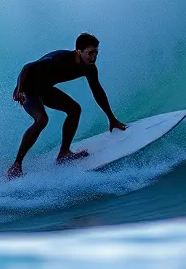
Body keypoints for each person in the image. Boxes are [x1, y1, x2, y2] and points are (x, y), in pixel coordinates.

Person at [8, 33, 126, 179]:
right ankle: (16, 165)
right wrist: (19, 90)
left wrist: (111, 119)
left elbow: (98, 92)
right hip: (27, 90)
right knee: (42, 119)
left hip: (45, 89)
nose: (94, 57)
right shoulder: (59, 59)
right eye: (90, 53)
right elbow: (28, 67)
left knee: (74, 110)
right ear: (78, 51)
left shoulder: (89, 68)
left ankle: (64, 153)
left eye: (96, 52)